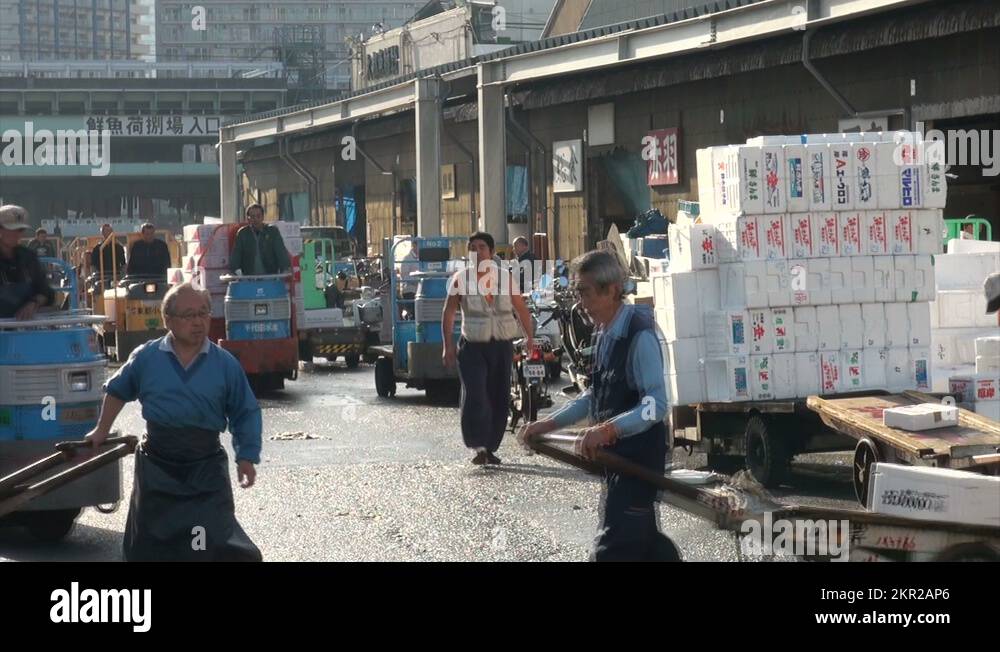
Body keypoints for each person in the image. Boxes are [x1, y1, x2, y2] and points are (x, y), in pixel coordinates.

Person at [518, 250, 677, 561]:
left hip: (638, 462)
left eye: (586, 292)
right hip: (616, 460)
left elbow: (656, 404)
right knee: (642, 542)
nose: (580, 303)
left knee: (612, 549)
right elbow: (595, 394)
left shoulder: (639, 334)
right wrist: (548, 424)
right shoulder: (605, 331)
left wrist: (608, 430)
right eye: (578, 293)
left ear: (612, 290)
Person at [86, 282, 263, 561]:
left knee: (207, 540)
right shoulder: (147, 357)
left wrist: (246, 457)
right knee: (152, 543)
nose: (198, 322)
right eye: (189, 315)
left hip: (205, 466)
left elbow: (245, 412)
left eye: (203, 313)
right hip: (157, 465)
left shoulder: (225, 364)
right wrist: (101, 430)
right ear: (168, 319)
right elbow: (118, 391)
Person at [442, 232, 534, 465]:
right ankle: (478, 444)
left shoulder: (505, 278)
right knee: (476, 393)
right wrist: (447, 346)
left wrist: (530, 337)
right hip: (472, 346)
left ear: (492, 252)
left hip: (501, 345)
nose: (477, 252)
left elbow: (521, 308)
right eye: (472, 248)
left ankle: (490, 447)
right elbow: (449, 313)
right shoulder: (460, 279)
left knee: (499, 396)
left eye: (482, 247)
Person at [0, 205, 55, 320]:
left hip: (26, 325)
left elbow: (45, 291)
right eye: (12, 229)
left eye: (20, 230)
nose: (17, 234)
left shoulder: (28, 257)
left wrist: (34, 303)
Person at [229, 203, 290, 275]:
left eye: (258, 216)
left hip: (270, 276)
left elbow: (281, 252)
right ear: (248, 218)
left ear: (263, 217)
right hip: (248, 277)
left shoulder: (272, 231)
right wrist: (236, 271)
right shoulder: (242, 233)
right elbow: (236, 255)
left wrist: (284, 268)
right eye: (252, 217)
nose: (256, 219)